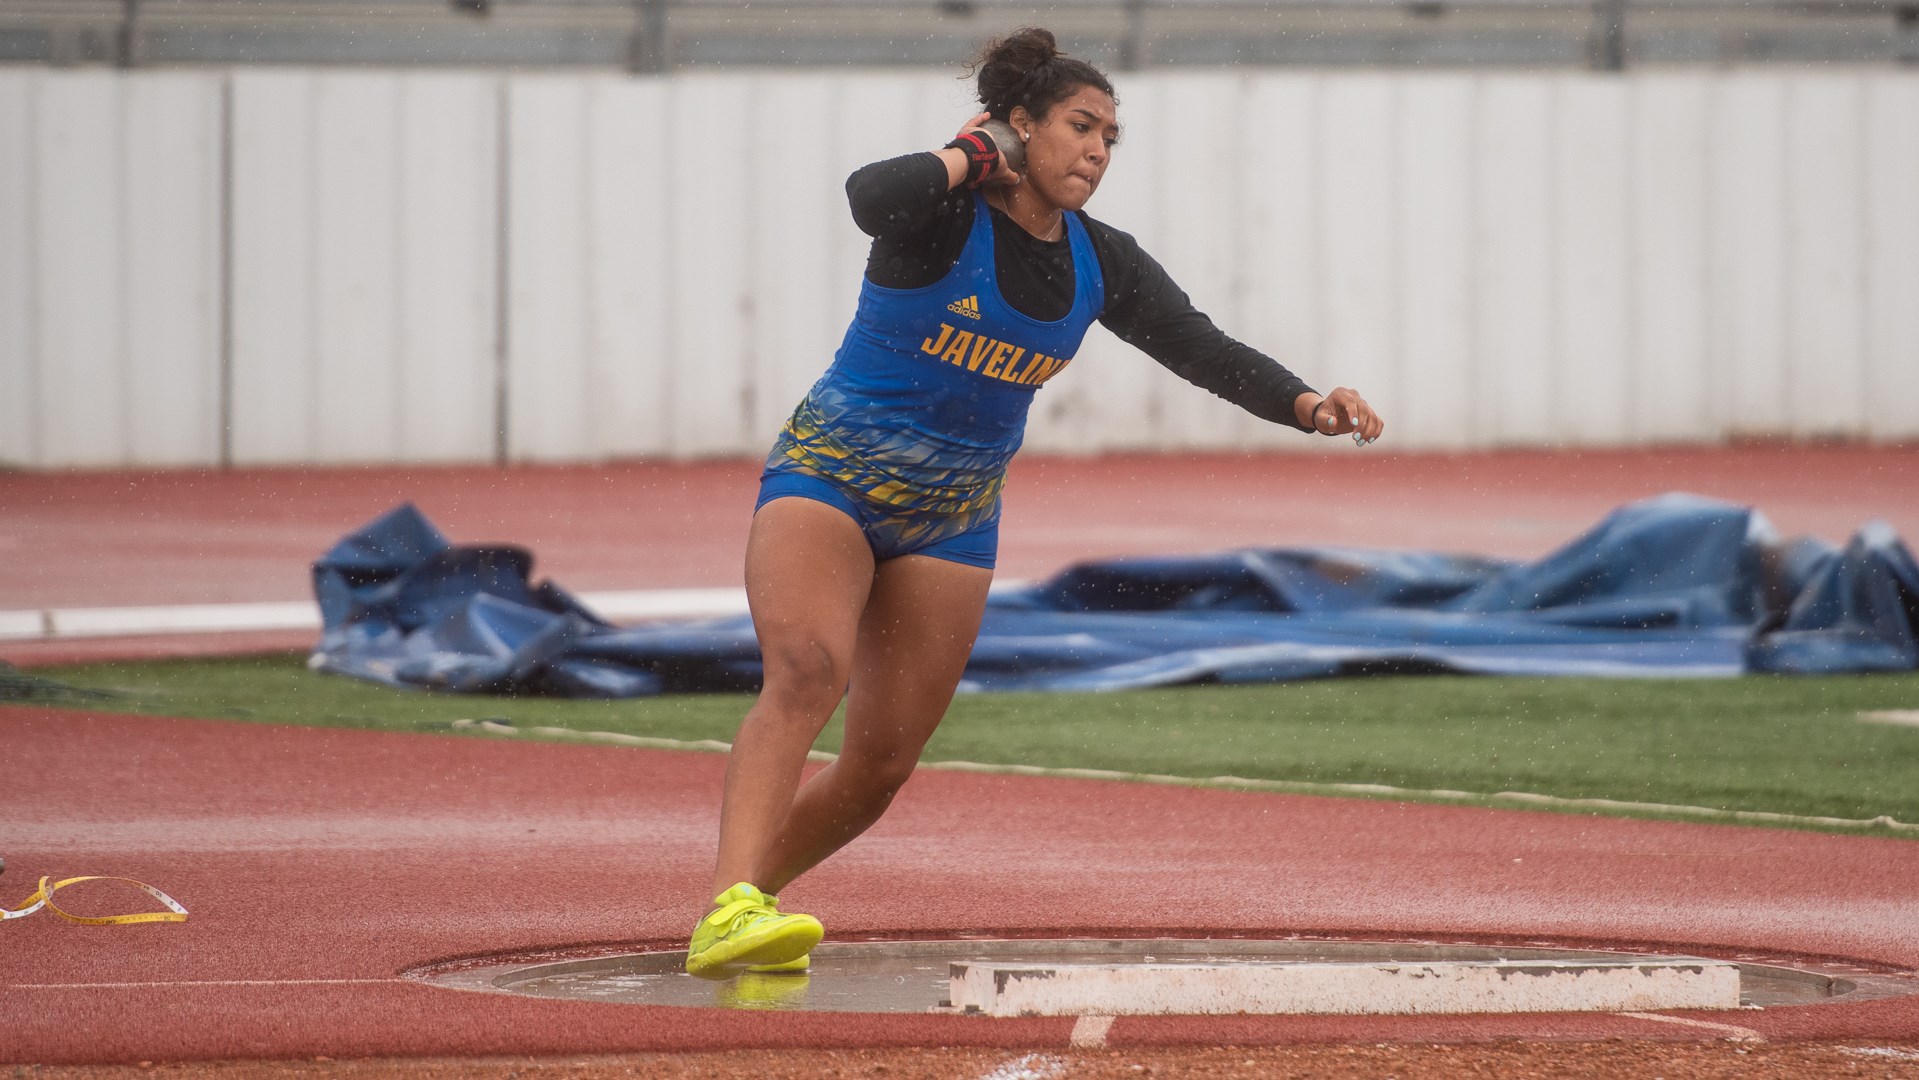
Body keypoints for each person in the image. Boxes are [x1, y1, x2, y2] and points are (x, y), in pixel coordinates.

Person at [684, 26, 1384, 977]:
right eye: (1078, 126)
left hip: (954, 517)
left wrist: (1306, 403)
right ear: (1020, 128)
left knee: (881, 764)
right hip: (830, 482)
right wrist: (968, 156)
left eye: (1110, 137)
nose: (1097, 149)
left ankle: (742, 900)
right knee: (807, 671)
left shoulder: (1103, 259)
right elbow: (865, 197)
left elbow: (1200, 347)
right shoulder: (940, 213)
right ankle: (731, 908)